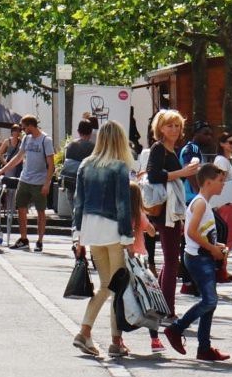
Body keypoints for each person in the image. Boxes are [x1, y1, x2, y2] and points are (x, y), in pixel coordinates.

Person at [70, 120, 147, 360]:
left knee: (107, 285)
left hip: (91, 231)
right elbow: (123, 206)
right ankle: (112, 340)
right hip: (114, 231)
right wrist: (127, 237)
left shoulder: (86, 164)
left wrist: (77, 236)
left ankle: (88, 332)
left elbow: (78, 203)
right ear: (120, 140)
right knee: (116, 287)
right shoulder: (119, 168)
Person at [139, 109, 201, 349]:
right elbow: (154, 176)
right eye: (169, 126)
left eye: (177, 126)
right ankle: (168, 311)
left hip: (171, 210)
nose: (174, 130)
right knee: (172, 261)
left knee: (170, 260)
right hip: (165, 211)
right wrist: (182, 173)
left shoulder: (170, 150)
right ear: (160, 128)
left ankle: (163, 306)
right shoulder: (158, 148)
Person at [163, 163, 231, 360]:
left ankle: (204, 347)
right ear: (208, 182)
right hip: (198, 258)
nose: (223, 185)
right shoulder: (200, 203)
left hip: (202, 256)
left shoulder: (203, 203)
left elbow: (198, 231)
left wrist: (215, 245)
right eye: (220, 181)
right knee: (210, 300)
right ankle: (177, 329)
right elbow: (191, 232)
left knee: (210, 302)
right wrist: (212, 249)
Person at [0, 114, 57, 252]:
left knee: (41, 211)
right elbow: (19, 157)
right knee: (21, 208)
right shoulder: (26, 139)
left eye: (24, 127)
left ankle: (40, 240)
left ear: (31, 126)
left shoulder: (45, 140)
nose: (22, 130)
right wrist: (2, 170)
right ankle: (24, 239)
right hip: (25, 179)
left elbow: (51, 164)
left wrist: (47, 183)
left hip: (39, 181)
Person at [60, 117, 97, 208]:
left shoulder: (70, 145)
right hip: (86, 185)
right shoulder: (93, 148)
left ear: (78, 131)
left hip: (70, 182)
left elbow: (65, 162)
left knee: (74, 213)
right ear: (91, 132)